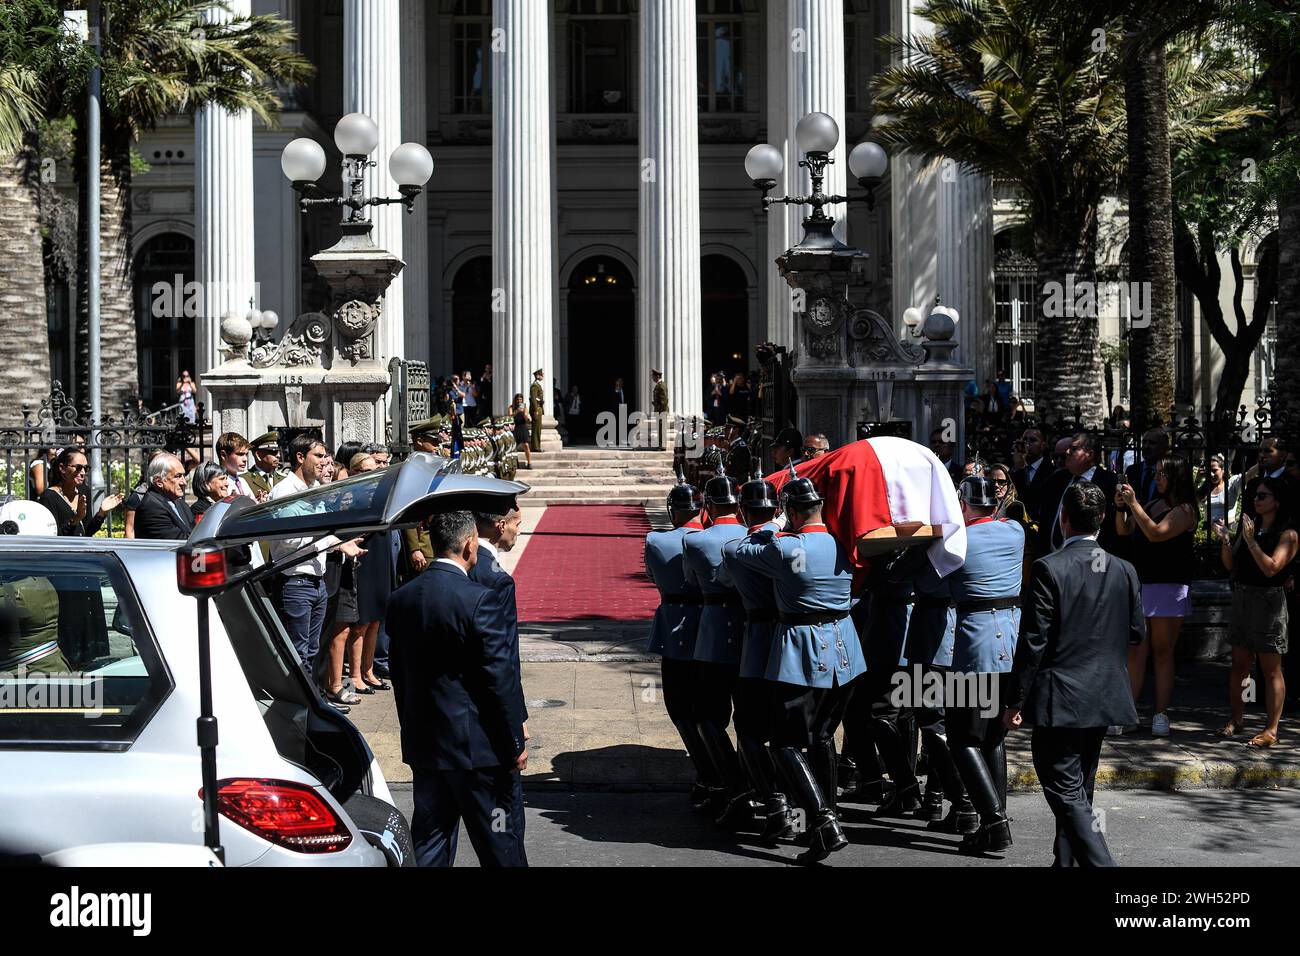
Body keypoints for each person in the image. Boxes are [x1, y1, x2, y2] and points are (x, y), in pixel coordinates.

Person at [1003, 482, 1143, 867]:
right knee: (1080, 787)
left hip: (1061, 698)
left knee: (1067, 788)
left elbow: (1033, 642)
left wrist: (1014, 701)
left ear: (1064, 520)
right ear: (1101, 520)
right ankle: (1064, 863)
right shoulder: (1124, 570)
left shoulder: (1049, 567)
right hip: (1102, 694)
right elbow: (1136, 632)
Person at [730, 472, 867, 864]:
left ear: (790, 511)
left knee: (787, 742)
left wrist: (771, 527)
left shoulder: (787, 548)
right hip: (846, 651)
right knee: (823, 737)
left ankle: (824, 820)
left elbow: (736, 551)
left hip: (804, 655)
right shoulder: (840, 543)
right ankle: (828, 813)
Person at [388, 510, 528, 867]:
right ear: (469, 544)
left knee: (430, 845)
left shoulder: (402, 598)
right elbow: (499, 678)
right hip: (478, 754)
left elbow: (400, 676)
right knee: (500, 844)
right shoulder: (479, 598)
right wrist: (514, 740)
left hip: (427, 748)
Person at [946, 476, 1023, 855]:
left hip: (975, 646)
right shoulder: (1015, 532)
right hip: (1010, 640)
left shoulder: (957, 541)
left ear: (963, 505)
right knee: (992, 736)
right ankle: (998, 818)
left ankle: (994, 822)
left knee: (962, 737)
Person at [721, 473, 793, 838]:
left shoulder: (738, 547)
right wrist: (780, 524)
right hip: (787, 641)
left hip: (757, 641)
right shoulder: (789, 545)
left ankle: (774, 801)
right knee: (782, 729)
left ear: (744, 512)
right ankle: (786, 800)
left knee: (751, 730)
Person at [681, 471, 753, 827]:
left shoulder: (696, 541)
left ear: (708, 506)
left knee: (708, 716)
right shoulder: (750, 535)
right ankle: (755, 784)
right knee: (750, 719)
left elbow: (690, 582)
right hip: (750, 631)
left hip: (711, 632)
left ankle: (733, 784)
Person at [269, 434, 365, 683]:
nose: (325, 462)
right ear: (300, 457)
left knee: (312, 651)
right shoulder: (285, 491)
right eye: (319, 456)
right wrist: (321, 532)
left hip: (317, 581)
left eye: (325, 457)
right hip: (296, 582)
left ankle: (312, 706)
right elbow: (287, 540)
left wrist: (342, 544)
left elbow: (323, 533)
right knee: (298, 653)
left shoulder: (313, 491)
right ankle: (299, 712)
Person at [1114, 455, 1198, 738]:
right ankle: (1128, 713)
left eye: (1163, 473)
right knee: (1136, 650)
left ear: (1177, 476)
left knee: (1162, 651)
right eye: (1157, 473)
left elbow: (1157, 533)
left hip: (1169, 586)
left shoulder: (1185, 509)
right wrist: (1121, 507)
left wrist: (1135, 504)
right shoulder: (1152, 504)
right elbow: (1124, 530)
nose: (1157, 477)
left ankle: (1161, 714)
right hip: (1143, 584)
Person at [645, 475, 712, 809]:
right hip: (714, 627)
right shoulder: (713, 540)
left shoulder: (657, 541)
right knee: (710, 708)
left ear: (674, 511)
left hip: (676, 628)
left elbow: (651, 576)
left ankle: (707, 773)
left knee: (680, 707)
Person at [1215, 475, 1296, 748]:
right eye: (1255, 496)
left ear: (1277, 501)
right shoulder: (1251, 526)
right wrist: (1227, 541)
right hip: (1243, 596)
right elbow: (1230, 566)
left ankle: (1271, 730)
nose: (1256, 500)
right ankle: (1237, 718)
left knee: (1270, 668)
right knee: (1240, 663)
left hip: (1268, 601)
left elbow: (1272, 567)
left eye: (1263, 496)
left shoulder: (1288, 534)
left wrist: (1251, 541)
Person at [468, 500, 530, 764]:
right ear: (501, 525)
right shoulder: (498, 580)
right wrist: (518, 717)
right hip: (488, 710)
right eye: (517, 525)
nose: (518, 531)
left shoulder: (458, 566)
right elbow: (505, 656)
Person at [1041, 433, 1118, 554]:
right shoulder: (1057, 479)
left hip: (1091, 560)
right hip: (1052, 559)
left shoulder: (1109, 483)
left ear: (1090, 455)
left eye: (1074, 449)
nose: (1067, 452)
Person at [39, 449, 124, 537]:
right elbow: (53, 536)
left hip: (82, 549)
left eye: (86, 468)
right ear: (62, 468)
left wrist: (101, 513)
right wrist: (76, 519)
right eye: (78, 468)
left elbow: (87, 532)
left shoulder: (84, 491)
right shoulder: (49, 497)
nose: (83, 473)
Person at [133, 453, 195, 540]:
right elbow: (179, 541)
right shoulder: (151, 508)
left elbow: (194, 531)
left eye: (183, 476)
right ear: (159, 482)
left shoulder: (180, 503)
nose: (184, 482)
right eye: (177, 476)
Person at [1011, 428, 1052, 524]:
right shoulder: (1017, 466)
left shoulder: (1050, 471)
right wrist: (1018, 467)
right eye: (1025, 440)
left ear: (1043, 445)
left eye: (1033, 440)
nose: (1027, 444)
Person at [1124, 429, 1171, 506]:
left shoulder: (1169, 471)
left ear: (1163, 447)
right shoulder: (1132, 470)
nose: (1146, 446)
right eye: (1144, 442)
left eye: (1152, 443)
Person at [1203, 453, 1242, 533]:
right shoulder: (1204, 488)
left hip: (1228, 528)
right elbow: (1192, 501)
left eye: (1214, 470)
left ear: (1223, 470)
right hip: (1207, 530)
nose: (1211, 474)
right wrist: (1198, 479)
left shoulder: (1231, 484)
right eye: (1208, 471)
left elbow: (1247, 476)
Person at [215, 432, 256, 498]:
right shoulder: (219, 484)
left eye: (246, 454)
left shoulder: (242, 481)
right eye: (240, 454)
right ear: (223, 455)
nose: (245, 459)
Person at [512, 394, 532, 469]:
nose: (519, 401)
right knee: (513, 447)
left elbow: (526, 418)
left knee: (526, 445)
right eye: (517, 399)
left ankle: (529, 463)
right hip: (515, 428)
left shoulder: (525, 407)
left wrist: (524, 414)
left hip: (523, 427)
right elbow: (510, 416)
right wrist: (517, 411)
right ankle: (515, 463)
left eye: (520, 399)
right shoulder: (512, 407)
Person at [529, 370, 545, 452]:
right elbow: (533, 399)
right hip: (537, 409)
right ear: (538, 376)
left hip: (539, 408)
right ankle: (535, 447)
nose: (543, 375)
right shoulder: (534, 386)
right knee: (536, 429)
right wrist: (535, 410)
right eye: (542, 374)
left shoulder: (538, 385)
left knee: (538, 428)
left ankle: (537, 446)